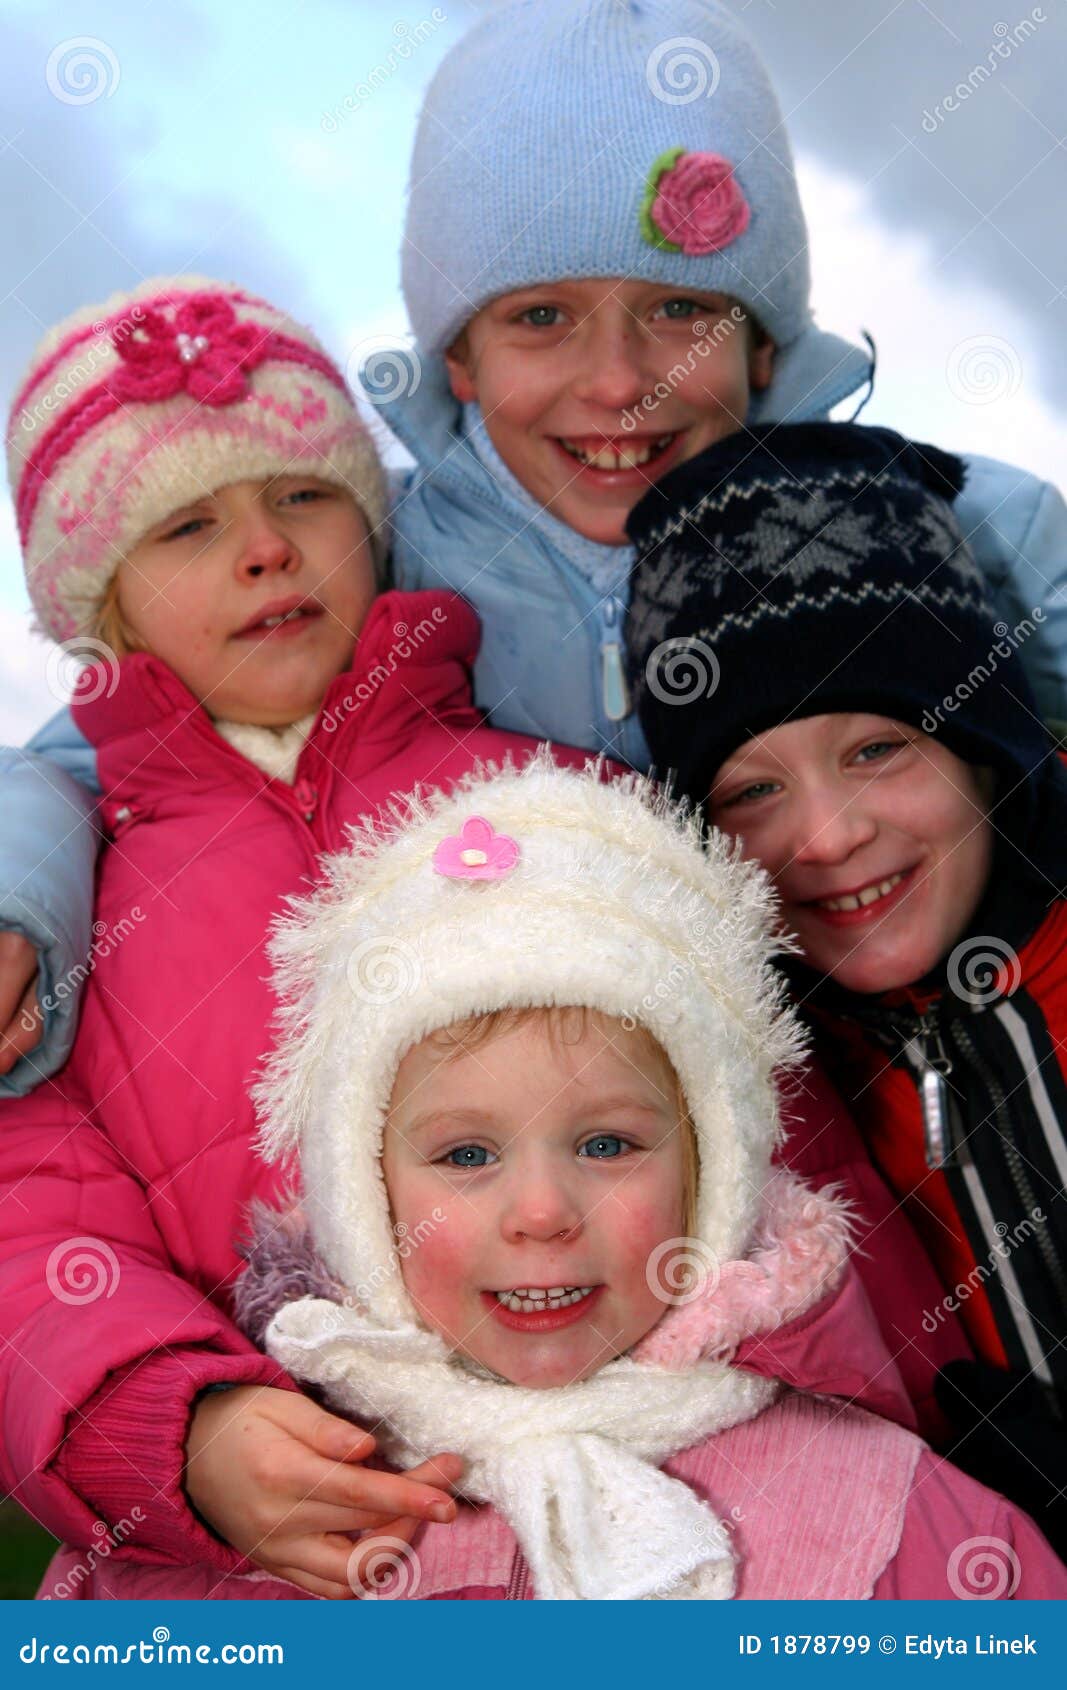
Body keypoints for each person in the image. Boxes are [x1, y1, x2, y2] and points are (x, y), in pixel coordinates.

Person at [6, 0, 1067, 1096]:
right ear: (456, 356)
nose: (617, 381)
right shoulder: (369, 558)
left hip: (865, 1090)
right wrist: (17, 897)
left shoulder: (922, 523)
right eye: (541, 320)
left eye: (678, 308)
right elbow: (87, 752)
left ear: (759, 344)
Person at [0, 275, 599, 1601]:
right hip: (262, 1573)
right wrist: (180, 1428)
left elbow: (772, 1131)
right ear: (99, 609)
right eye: (188, 524)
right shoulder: (65, 909)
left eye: (305, 496)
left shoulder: (555, 800)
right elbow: (28, 1228)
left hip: (626, 1494)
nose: (266, 548)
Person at [200, 755, 1061, 1602]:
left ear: (713, 1172)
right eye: (466, 1156)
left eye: (607, 1146)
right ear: (360, 1194)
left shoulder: (912, 1531)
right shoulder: (262, 1534)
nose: (541, 1213)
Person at [625, 419, 1067, 1554]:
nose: (824, 836)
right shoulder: (761, 1079)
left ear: (983, 744)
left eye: (877, 749)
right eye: (749, 791)